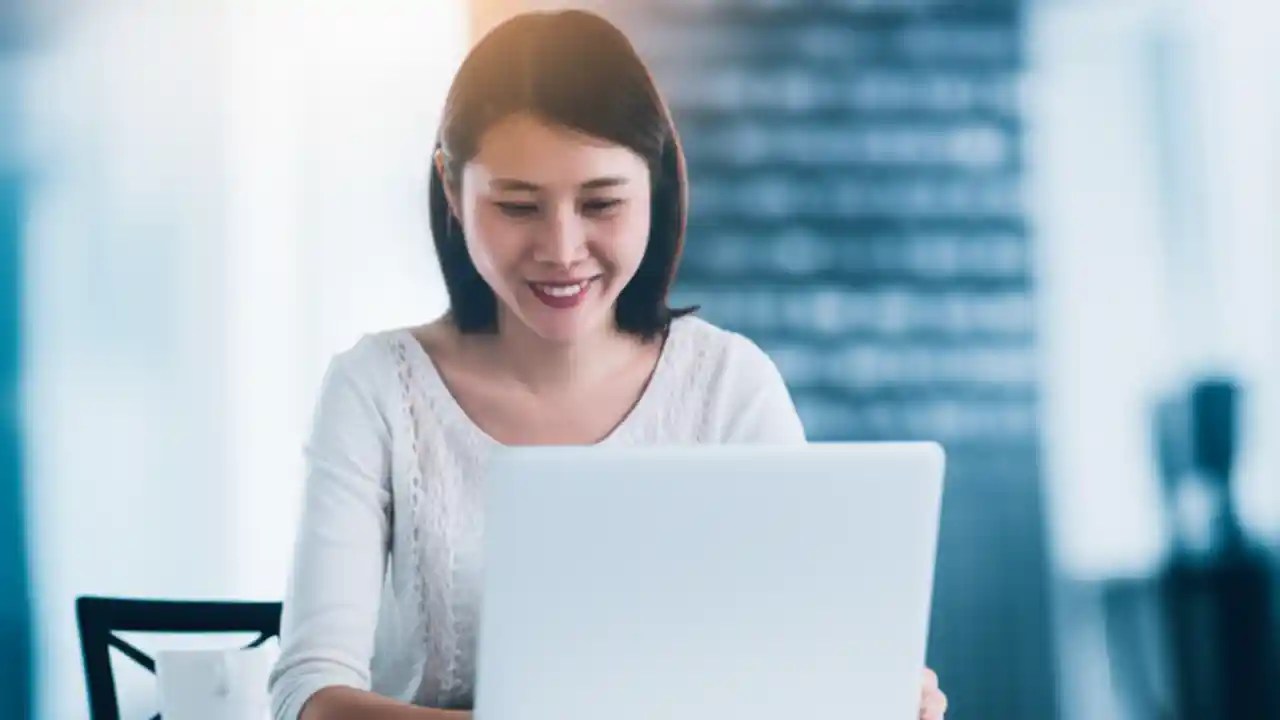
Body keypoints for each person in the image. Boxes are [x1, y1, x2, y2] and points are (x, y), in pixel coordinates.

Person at [268, 9, 948, 720]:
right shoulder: (377, 389)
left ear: (653, 186)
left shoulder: (729, 387)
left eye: (600, 203)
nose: (562, 248)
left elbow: (797, 669)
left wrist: (869, 696)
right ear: (452, 192)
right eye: (518, 205)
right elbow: (308, 698)